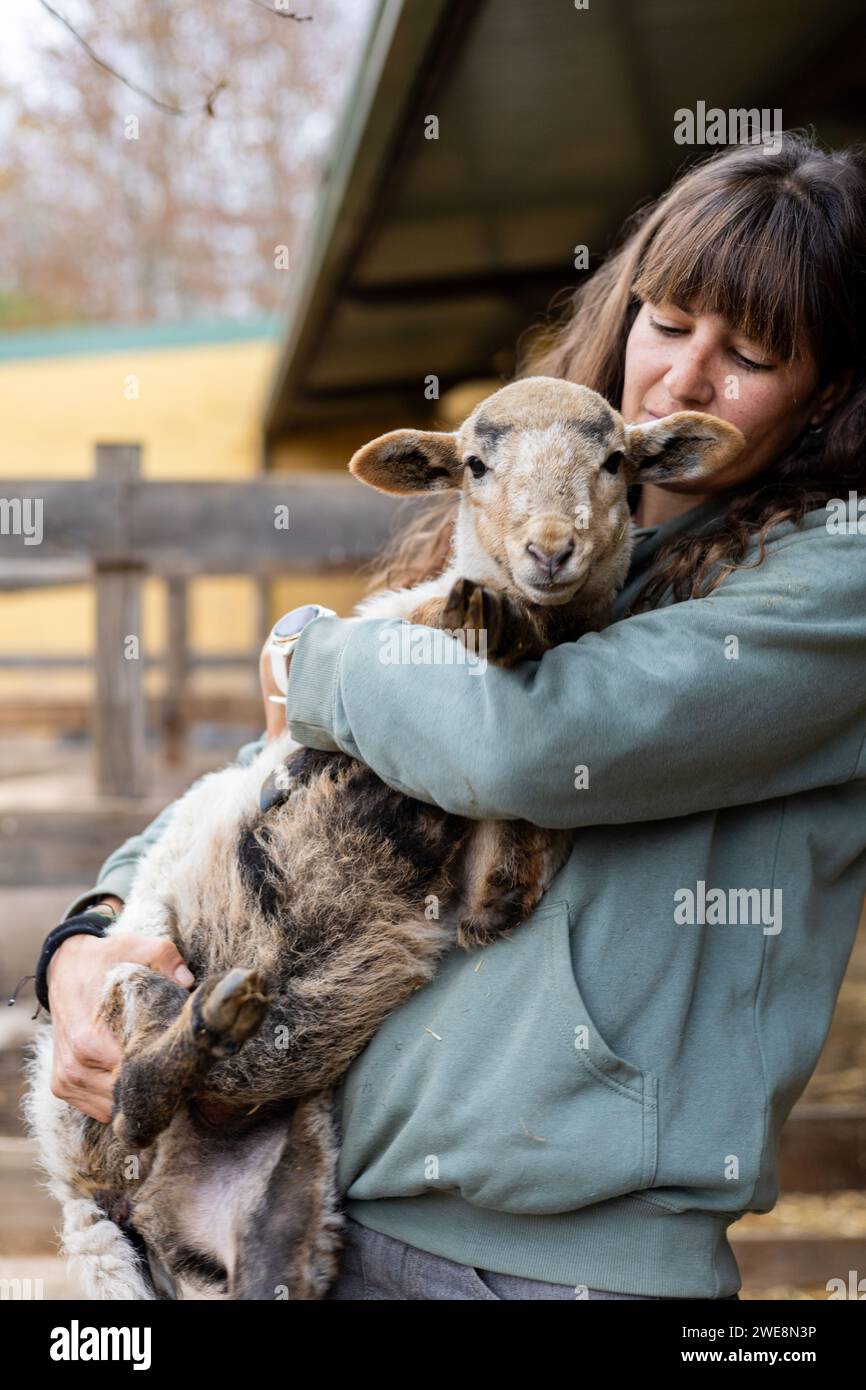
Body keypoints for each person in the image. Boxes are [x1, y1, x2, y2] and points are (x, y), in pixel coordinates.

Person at [40, 130, 866, 1300]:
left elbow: (533, 742)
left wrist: (311, 651)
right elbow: (268, 776)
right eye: (668, 323)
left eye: (749, 354)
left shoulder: (830, 581)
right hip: (320, 1213)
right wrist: (88, 938)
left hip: (564, 1272)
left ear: (827, 389)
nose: (682, 379)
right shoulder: (519, 531)